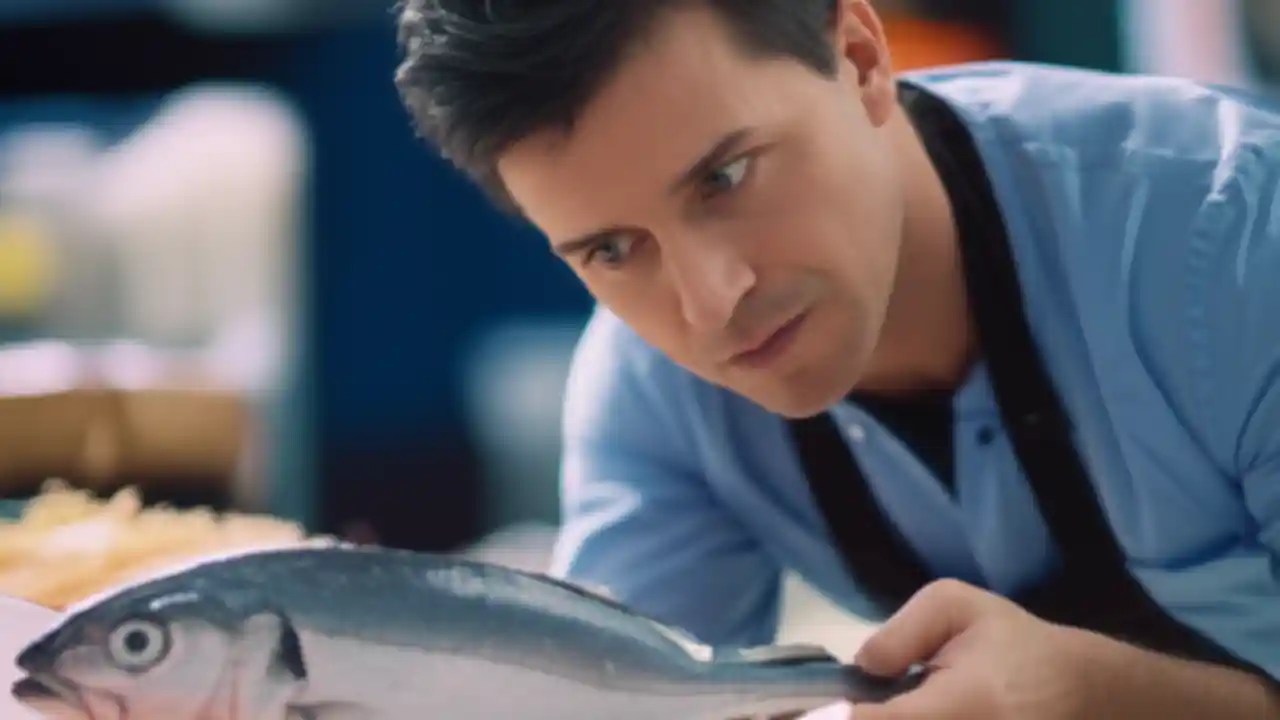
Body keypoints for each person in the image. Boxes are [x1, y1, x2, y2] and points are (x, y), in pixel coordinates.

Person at [393, 1, 1280, 717]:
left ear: (859, 58)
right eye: (613, 251)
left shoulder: (1236, 240)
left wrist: (1098, 703)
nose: (710, 301)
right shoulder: (650, 394)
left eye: (727, 178)